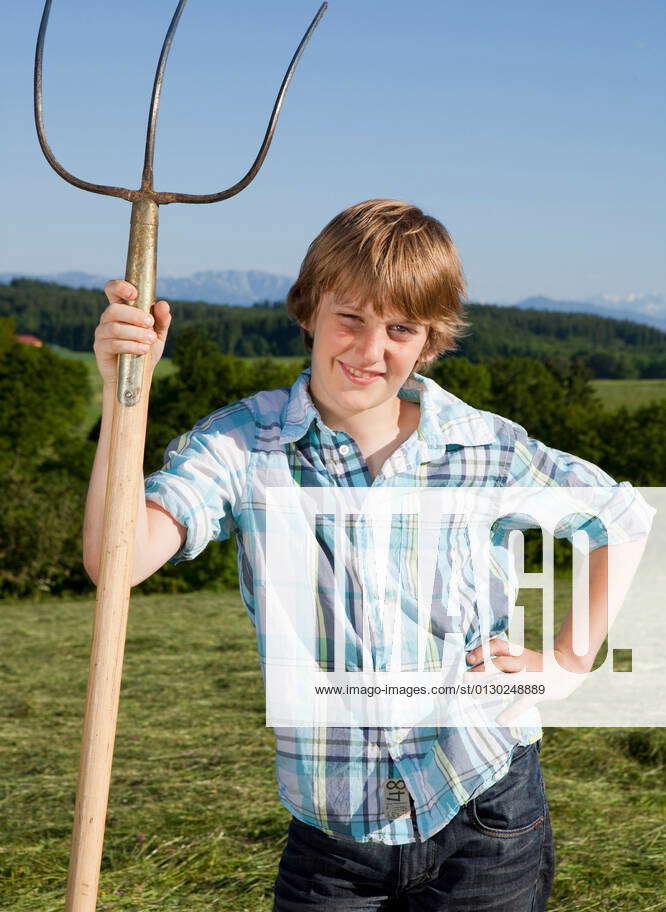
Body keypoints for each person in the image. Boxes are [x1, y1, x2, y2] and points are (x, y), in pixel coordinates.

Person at [84, 199, 653, 911]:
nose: (368, 349)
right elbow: (117, 561)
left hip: (487, 813)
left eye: (400, 329)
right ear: (309, 311)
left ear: (430, 340)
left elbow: (621, 517)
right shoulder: (240, 446)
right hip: (334, 837)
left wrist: (568, 665)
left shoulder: (482, 446)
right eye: (349, 317)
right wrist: (121, 394)